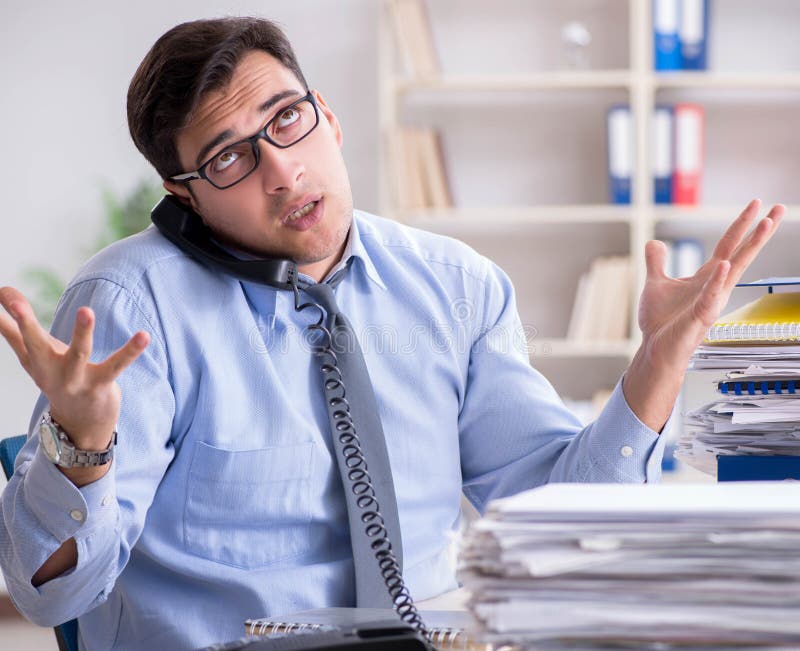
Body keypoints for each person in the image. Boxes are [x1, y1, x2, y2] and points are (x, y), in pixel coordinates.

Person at [0, 16, 784, 651]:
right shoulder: (131, 308)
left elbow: (560, 523)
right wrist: (81, 446)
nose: (282, 170)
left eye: (286, 120)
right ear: (184, 196)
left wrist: (656, 363)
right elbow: (57, 595)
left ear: (329, 118)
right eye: (230, 158)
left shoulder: (454, 284)